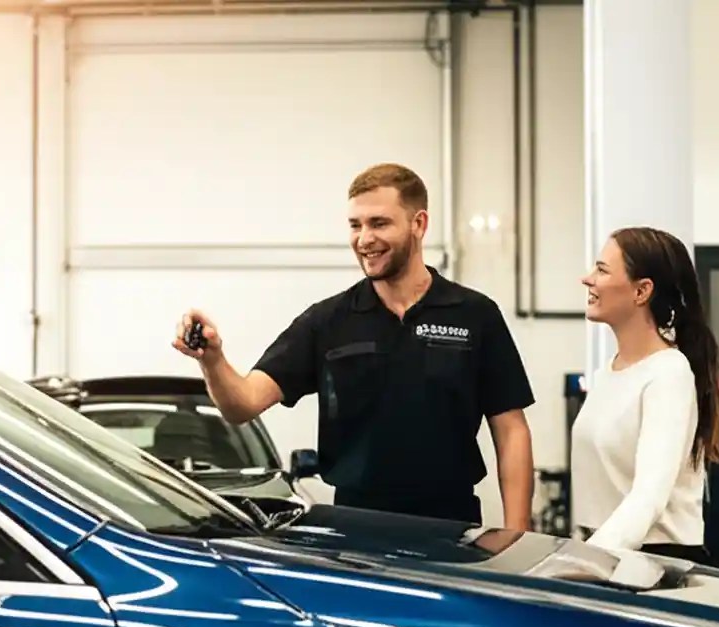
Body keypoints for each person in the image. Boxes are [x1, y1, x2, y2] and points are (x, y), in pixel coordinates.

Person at [171, 162, 537, 528]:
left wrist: (518, 535)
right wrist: (212, 361)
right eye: (355, 225)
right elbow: (243, 404)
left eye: (379, 223)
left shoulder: (474, 315)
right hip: (354, 529)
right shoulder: (328, 322)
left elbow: (511, 431)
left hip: (452, 525)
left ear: (419, 224)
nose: (364, 239)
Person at [571, 226, 719, 563]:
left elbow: (648, 498)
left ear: (641, 291)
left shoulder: (668, 374)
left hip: (653, 562)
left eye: (602, 270)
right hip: (610, 552)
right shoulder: (608, 372)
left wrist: (584, 561)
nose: (588, 279)